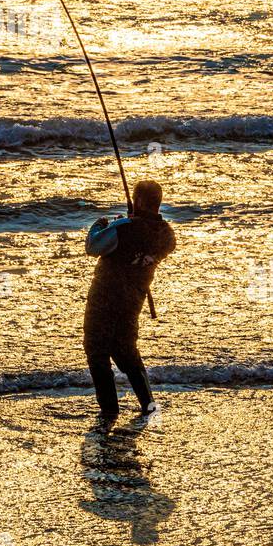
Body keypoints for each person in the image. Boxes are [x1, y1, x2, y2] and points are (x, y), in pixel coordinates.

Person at [84, 179, 176, 423]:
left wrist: (101, 224)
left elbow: (94, 246)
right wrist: (127, 222)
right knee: (126, 351)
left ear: (139, 201)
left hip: (104, 299)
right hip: (133, 302)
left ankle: (109, 410)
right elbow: (142, 243)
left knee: (97, 351)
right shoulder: (167, 235)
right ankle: (148, 403)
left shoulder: (123, 227)